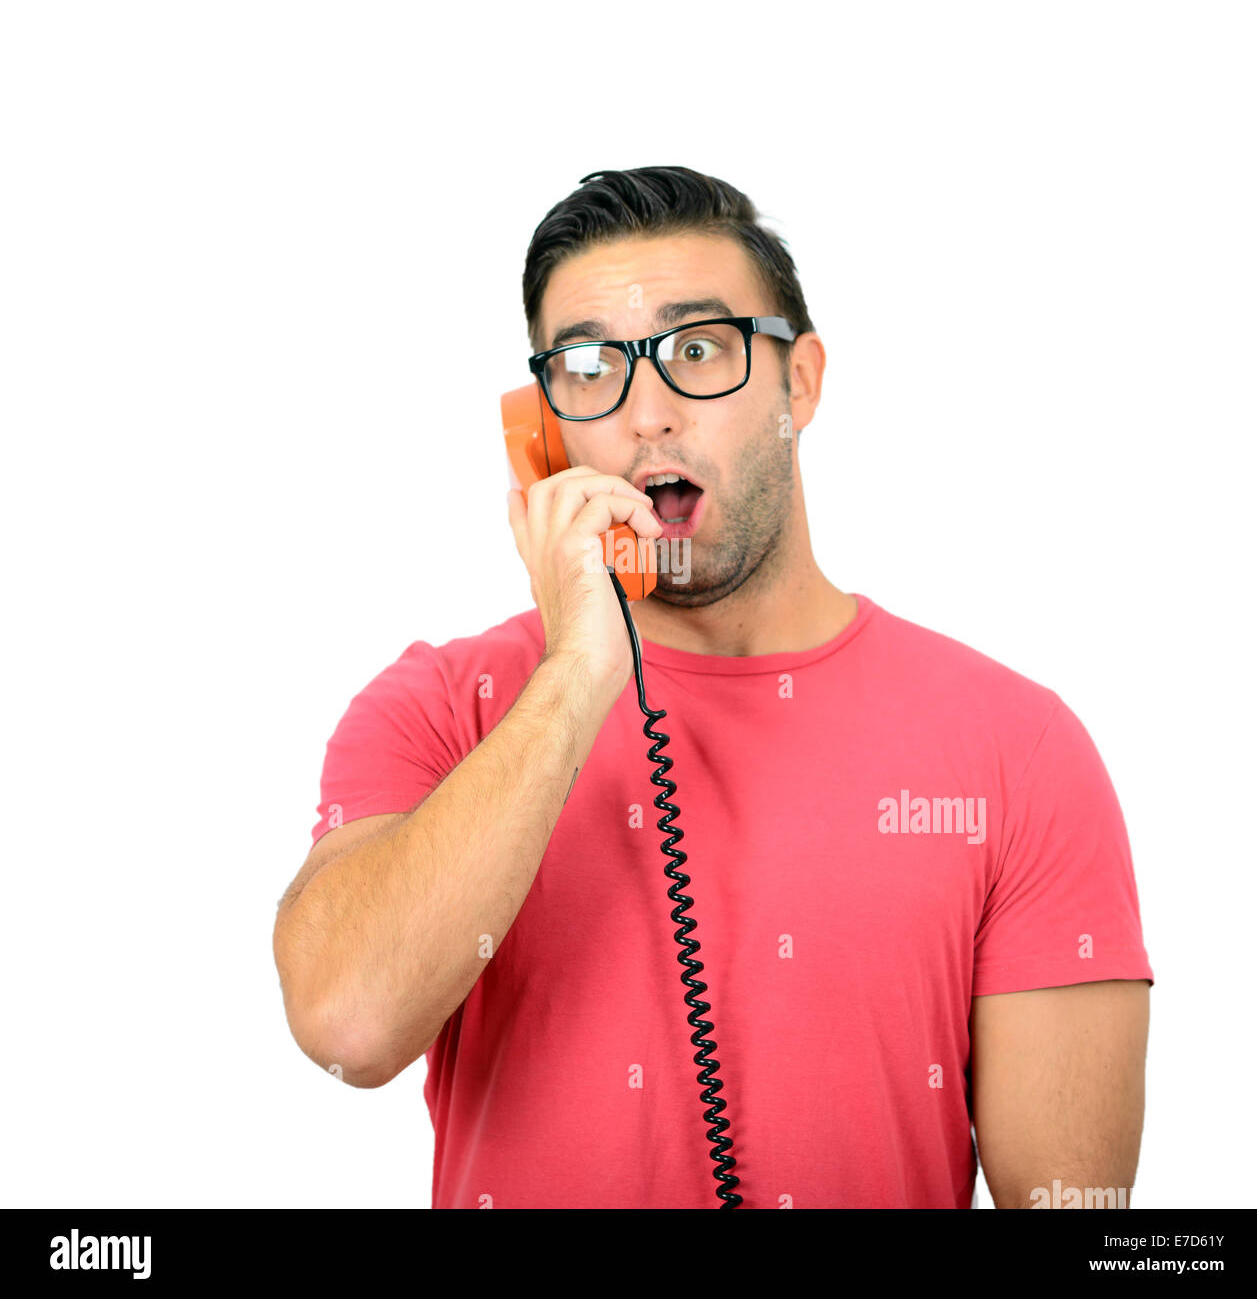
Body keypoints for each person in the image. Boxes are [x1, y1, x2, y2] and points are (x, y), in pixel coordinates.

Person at [273, 166, 1153, 1210]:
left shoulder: (1017, 748)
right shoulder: (436, 707)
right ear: (544, 425)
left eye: (697, 350)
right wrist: (577, 676)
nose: (647, 415)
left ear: (800, 383)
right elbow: (349, 1027)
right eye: (590, 366)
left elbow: (1074, 1214)